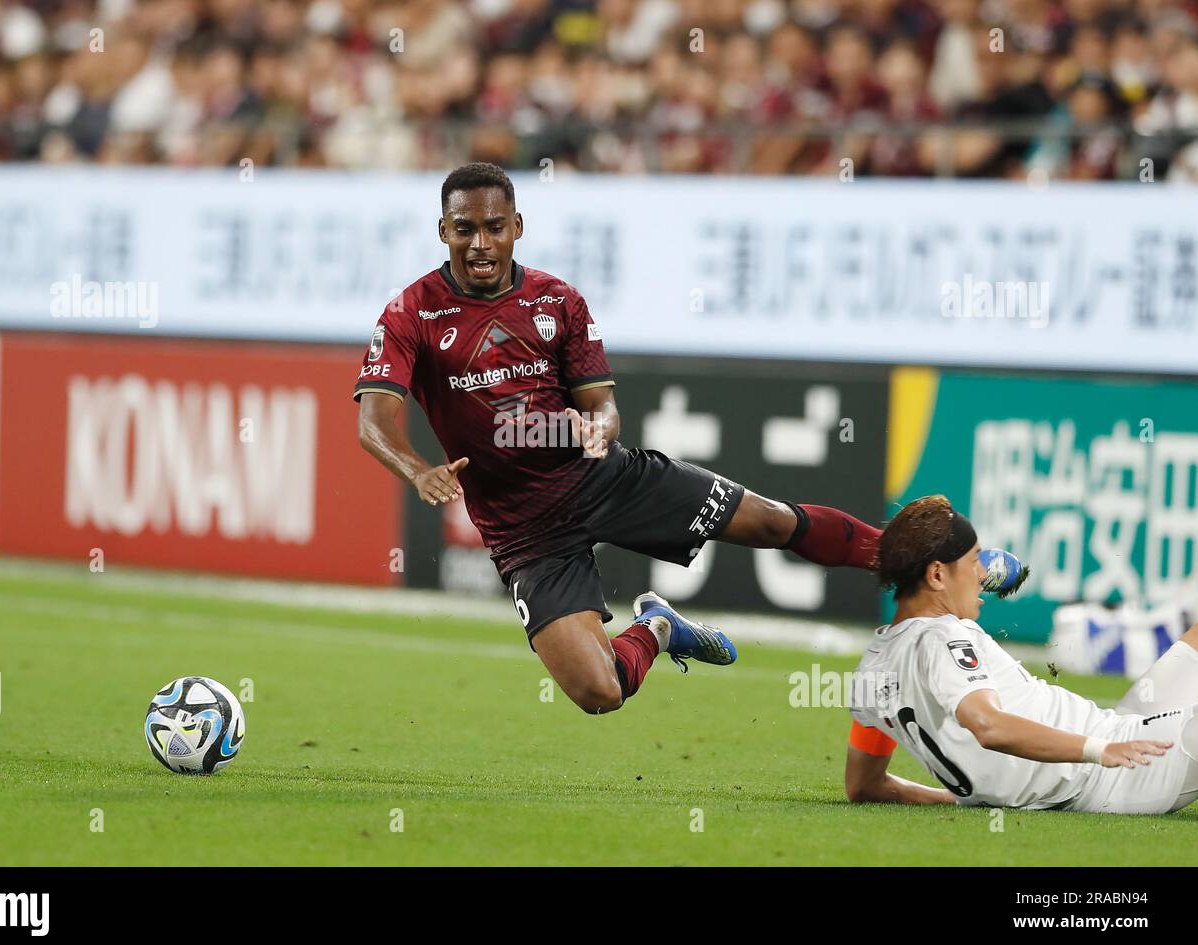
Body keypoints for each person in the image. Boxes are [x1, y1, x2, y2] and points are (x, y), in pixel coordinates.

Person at [355, 162, 882, 715]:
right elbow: (374, 422)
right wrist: (417, 470)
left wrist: (598, 430)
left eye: (495, 227)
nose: (481, 244)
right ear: (444, 231)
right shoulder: (410, 312)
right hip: (525, 531)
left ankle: (901, 556)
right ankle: (658, 629)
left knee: (773, 521)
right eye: (465, 229)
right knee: (599, 693)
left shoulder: (558, 301)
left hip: (605, 480)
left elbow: (602, 405)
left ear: (518, 226)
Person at [846, 493, 1198, 814]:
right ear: (937, 575)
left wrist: (962, 798)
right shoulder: (942, 636)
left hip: (1120, 731)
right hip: (1123, 772)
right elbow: (989, 726)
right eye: (973, 562)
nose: (984, 574)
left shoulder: (870, 672)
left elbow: (864, 785)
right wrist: (1099, 750)